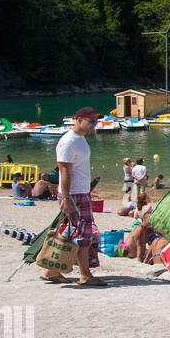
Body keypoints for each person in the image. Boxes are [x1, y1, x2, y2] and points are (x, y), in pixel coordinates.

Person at [53, 107, 106, 285]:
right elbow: (64, 171)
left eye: (96, 122)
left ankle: (52, 270)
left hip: (81, 192)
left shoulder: (80, 139)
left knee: (74, 233)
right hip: (73, 194)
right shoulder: (68, 141)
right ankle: (85, 274)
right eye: (91, 121)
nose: (94, 125)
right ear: (78, 119)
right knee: (83, 234)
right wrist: (66, 198)